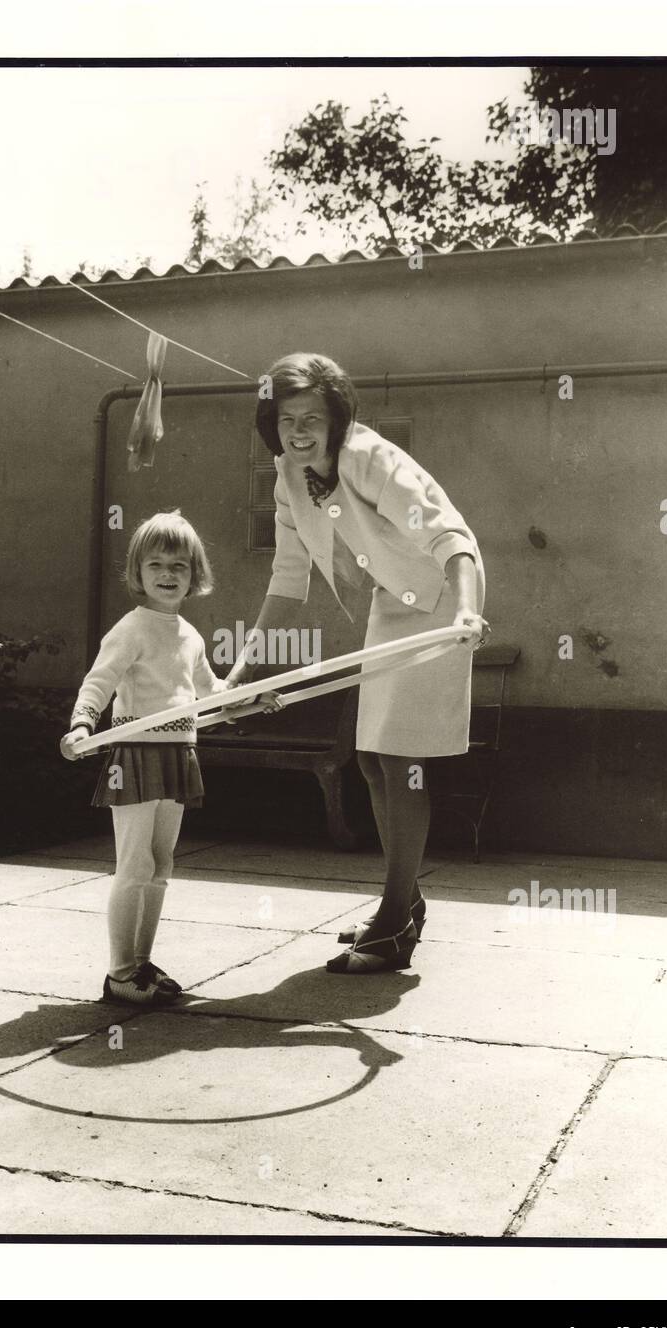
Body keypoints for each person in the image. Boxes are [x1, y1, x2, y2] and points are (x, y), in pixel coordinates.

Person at [225, 353, 489, 975]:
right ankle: (405, 901)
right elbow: (288, 582)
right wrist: (242, 673)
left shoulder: (372, 458)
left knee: (402, 760)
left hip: (444, 601)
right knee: (371, 758)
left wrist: (468, 617)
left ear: (337, 418)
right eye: (286, 418)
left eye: (312, 417)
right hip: (391, 606)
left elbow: (452, 539)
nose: (299, 430)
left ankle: (395, 921)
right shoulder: (288, 477)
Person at [61, 511, 227, 1004]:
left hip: (178, 755)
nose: (168, 574)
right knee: (133, 865)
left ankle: (142, 965)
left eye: (179, 565)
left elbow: (209, 694)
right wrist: (81, 722)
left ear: (194, 574)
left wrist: (251, 699)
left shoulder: (191, 636)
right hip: (133, 755)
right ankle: (119, 973)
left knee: (160, 865)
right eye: (155, 564)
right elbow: (100, 679)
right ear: (138, 573)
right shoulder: (131, 628)